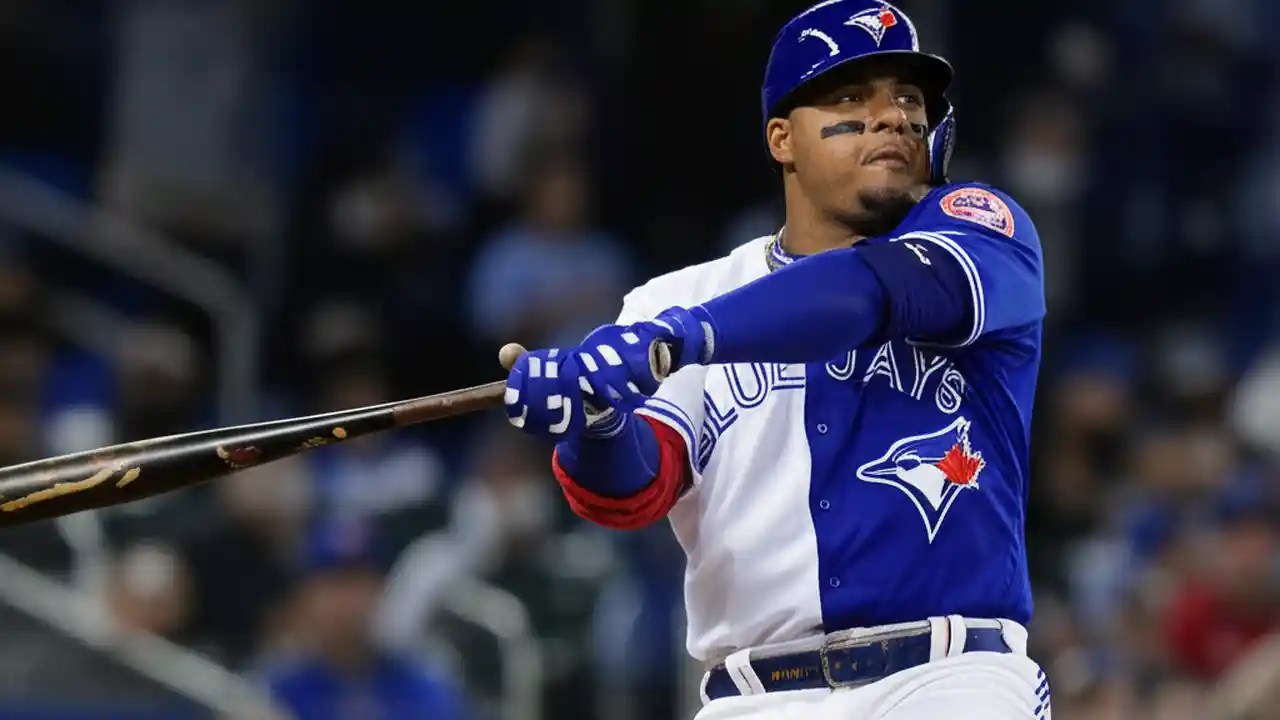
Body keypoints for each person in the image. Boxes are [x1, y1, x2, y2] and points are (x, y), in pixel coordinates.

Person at [502, 2, 1049, 718]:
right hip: (753, 694)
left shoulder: (981, 232)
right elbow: (628, 493)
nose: (891, 118)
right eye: (852, 97)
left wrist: (676, 340)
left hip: (943, 677)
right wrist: (595, 419)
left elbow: (866, 291)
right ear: (782, 138)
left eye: (908, 100)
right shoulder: (680, 295)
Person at [261, 519, 471, 720]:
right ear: (306, 596)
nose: (348, 602)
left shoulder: (422, 685)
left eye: (359, 583)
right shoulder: (273, 690)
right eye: (334, 584)